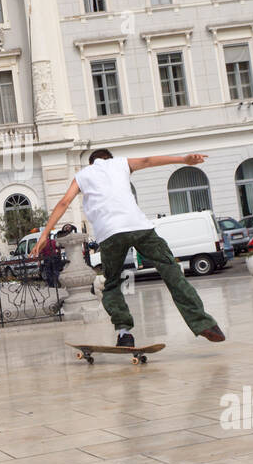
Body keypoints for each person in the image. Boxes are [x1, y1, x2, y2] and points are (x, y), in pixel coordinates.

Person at [33, 149, 226, 348]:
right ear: (110, 159)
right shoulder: (121, 164)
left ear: (92, 163)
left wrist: (45, 234)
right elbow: (148, 159)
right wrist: (183, 159)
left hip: (109, 234)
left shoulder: (83, 175)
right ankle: (204, 323)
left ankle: (124, 333)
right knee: (171, 271)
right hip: (140, 228)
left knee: (112, 284)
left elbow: (64, 202)